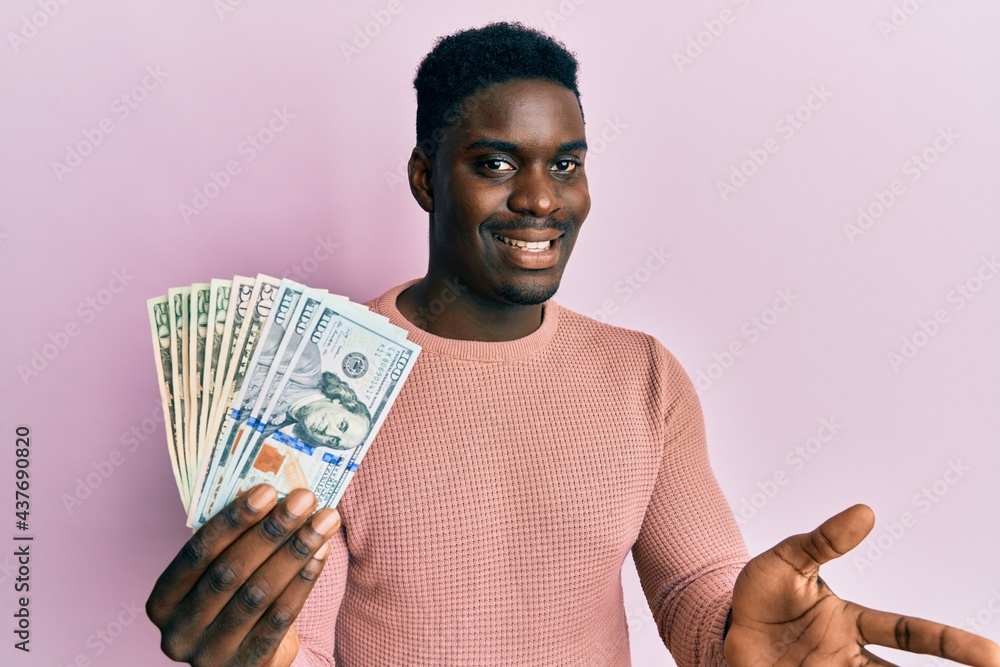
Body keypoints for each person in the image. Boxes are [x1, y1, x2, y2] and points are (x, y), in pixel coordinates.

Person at [146, 22, 1000, 667]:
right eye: (495, 164)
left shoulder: (643, 374)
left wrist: (741, 635)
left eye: (565, 164)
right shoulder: (315, 378)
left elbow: (693, 585)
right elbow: (299, 636)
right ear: (425, 177)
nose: (540, 199)